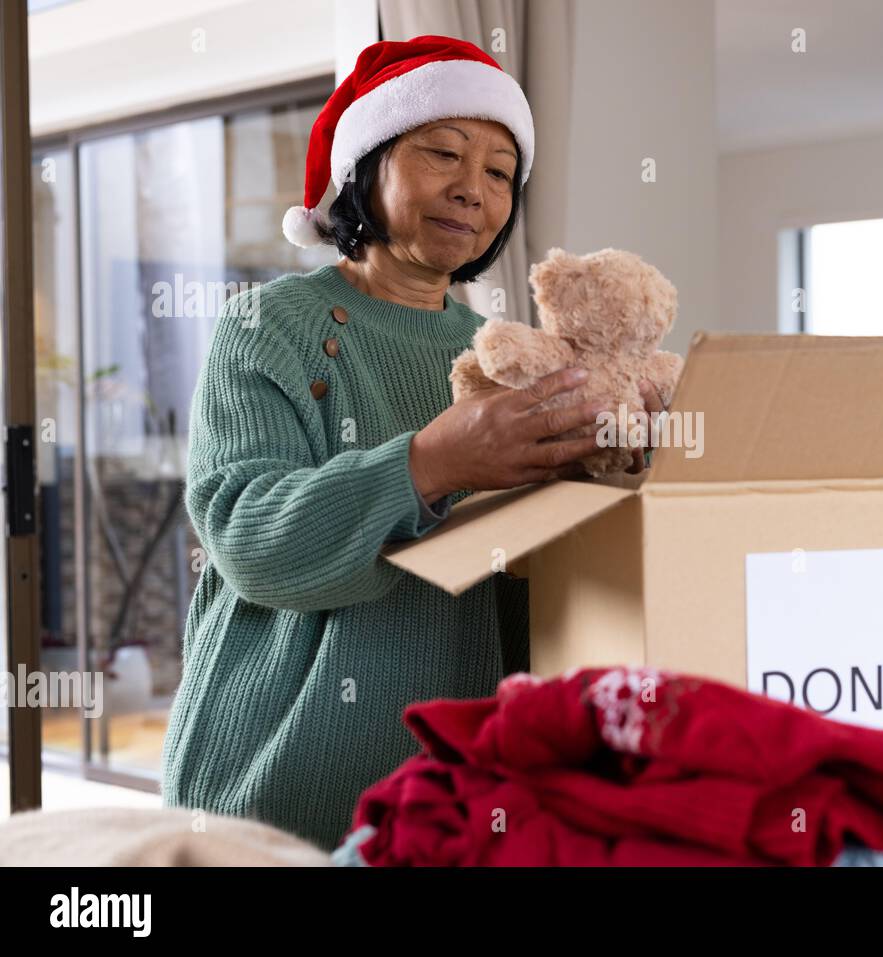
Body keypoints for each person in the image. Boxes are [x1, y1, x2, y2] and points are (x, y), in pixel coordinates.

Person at [161, 35, 665, 851]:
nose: (472, 189)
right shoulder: (268, 326)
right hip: (270, 790)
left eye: (500, 172)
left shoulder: (508, 355)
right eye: (442, 153)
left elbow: (532, 576)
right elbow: (249, 540)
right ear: (369, 164)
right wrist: (432, 465)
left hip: (450, 798)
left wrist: (617, 462)